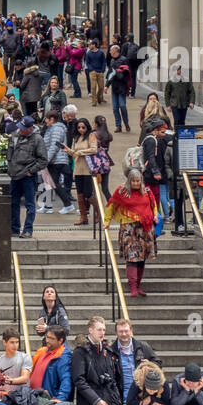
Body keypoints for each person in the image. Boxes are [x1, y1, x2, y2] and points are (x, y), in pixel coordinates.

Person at [104, 166, 158, 297]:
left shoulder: (146, 191)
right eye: (133, 181)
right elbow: (111, 205)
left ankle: (139, 286)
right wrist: (107, 221)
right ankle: (132, 287)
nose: (135, 183)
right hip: (129, 229)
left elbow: (153, 205)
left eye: (138, 181)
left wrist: (155, 215)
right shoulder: (121, 191)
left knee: (142, 258)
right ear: (129, 181)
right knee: (132, 258)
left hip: (145, 229)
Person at [7, 115, 47, 238]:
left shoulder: (37, 139)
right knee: (14, 203)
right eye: (20, 127)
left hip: (28, 175)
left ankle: (28, 230)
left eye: (24, 128)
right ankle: (14, 229)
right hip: (15, 175)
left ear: (30, 128)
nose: (21, 130)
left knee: (30, 204)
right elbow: (10, 154)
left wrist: (31, 171)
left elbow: (43, 160)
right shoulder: (15, 136)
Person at [70, 316, 120, 405]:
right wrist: (96, 400)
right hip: (88, 404)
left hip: (109, 401)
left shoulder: (107, 350)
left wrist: (116, 398)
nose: (102, 333)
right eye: (99, 330)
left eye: (104, 330)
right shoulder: (80, 352)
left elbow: (113, 378)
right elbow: (79, 380)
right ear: (91, 330)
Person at [110, 318, 158, 395]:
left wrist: (150, 365)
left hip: (142, 395)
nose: (124, 334)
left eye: (126, 331)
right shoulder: (111, 350)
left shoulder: (143, 346)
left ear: (131, 331)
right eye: (121, 331)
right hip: (121, 396)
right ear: (116, 333)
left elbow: (158, 363)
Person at [0, 328, 35, 405]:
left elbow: (25, 378)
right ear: (4, 342)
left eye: (17, 342)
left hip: (22, 399)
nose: (15, 345)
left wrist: (10, 381)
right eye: (12, 342)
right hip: (5, 399)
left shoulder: (25, 357)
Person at [66, 117, 98, 226]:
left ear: (87, 127)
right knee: (80, 194)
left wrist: (80, 152)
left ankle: (98, 210)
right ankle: (83, 217)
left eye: (83, 127)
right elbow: (75, 152)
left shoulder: (91, 136)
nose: (81, 129)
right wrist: (68, 151)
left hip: (88, 169)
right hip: (78, 168)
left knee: (88, 194)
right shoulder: (77, 137)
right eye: (79, 127)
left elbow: (94, 149)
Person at [41, 111, 75, 213]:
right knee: (48, 182)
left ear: (52, 119)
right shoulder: (53, 128)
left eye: (46, 119)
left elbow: (54, 146)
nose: (45, 121)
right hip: (54, 160)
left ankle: (67, 204)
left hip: (56, 160)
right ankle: (47, 206)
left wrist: (46, 160)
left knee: (53, 183)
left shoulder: (56, 129)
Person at [29, 327, 72, 405]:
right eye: (47, 337)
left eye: (51, 338)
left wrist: (61, 398)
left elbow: (66, 378)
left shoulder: (63, 357)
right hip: (35, 398)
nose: (47, 340)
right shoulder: (42, 351)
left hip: (48, 401)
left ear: (60, 340)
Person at [141, 118, 172, 221]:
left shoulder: (152, 139)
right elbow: (151, 157)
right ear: (155, 130)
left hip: (151, 175)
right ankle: (153, 222)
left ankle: (155, 222)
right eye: (162, 131)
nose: (165, 133)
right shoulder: (151, 140)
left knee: (155, 199)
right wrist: (156, 172)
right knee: (153, 199)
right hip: (150, 176)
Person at [106, 45, 131, 132]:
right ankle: (118, 126)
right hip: (114, 87)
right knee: (115, 108)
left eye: (111, 50)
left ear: (116, 50)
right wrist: (106, 85)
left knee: (122, 106)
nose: (109, 52)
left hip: (122, 87)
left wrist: (118, 73)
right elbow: (110, 74)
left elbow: (127, 74)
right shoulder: (112, 60)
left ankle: (126, 123)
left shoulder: (124, 60)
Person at [84, 41, 106, 105]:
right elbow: (87, 62)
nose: (89, 46)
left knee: (101, 87)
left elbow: (104, 62)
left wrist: (103, 70)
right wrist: (91, 69)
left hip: (100, 71)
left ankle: (99, 98)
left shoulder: (101, 53)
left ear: (94, 45)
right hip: (92, 72)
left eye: (90, 45)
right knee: (93, 87)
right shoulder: (88, 53)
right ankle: (94, 101)